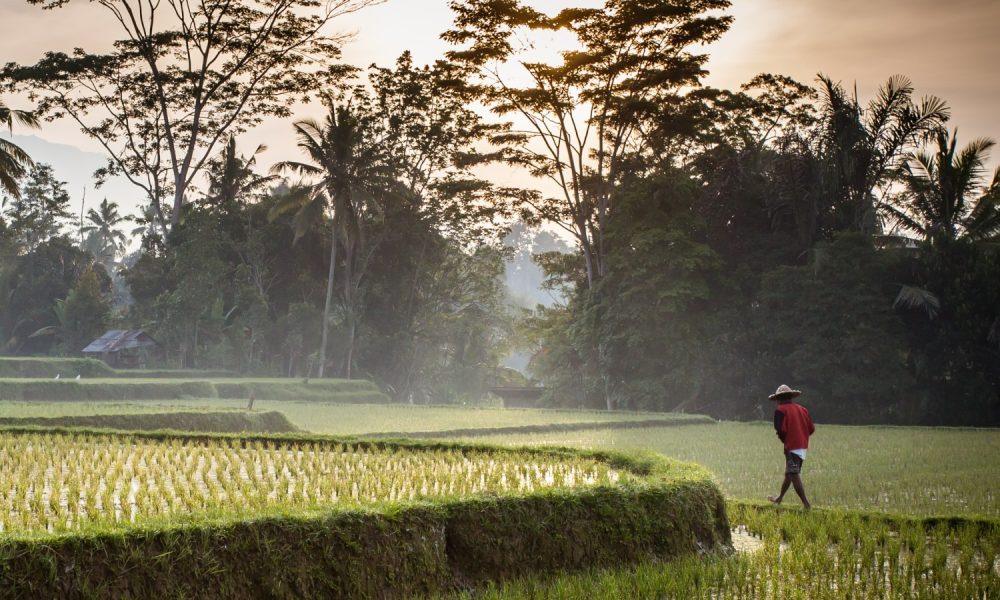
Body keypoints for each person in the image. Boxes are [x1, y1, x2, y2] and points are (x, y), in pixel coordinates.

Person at [767, 384, 815, 509]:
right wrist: (801, 435)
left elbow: (780, 429)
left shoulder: (780, 410)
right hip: (802, 446)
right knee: (789, 473)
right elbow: (811, 428)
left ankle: (806, 504)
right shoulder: (802, 409)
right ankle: (779, 498)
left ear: (779, 399)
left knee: (793, 474)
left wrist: (786, 440)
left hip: (792, 446)